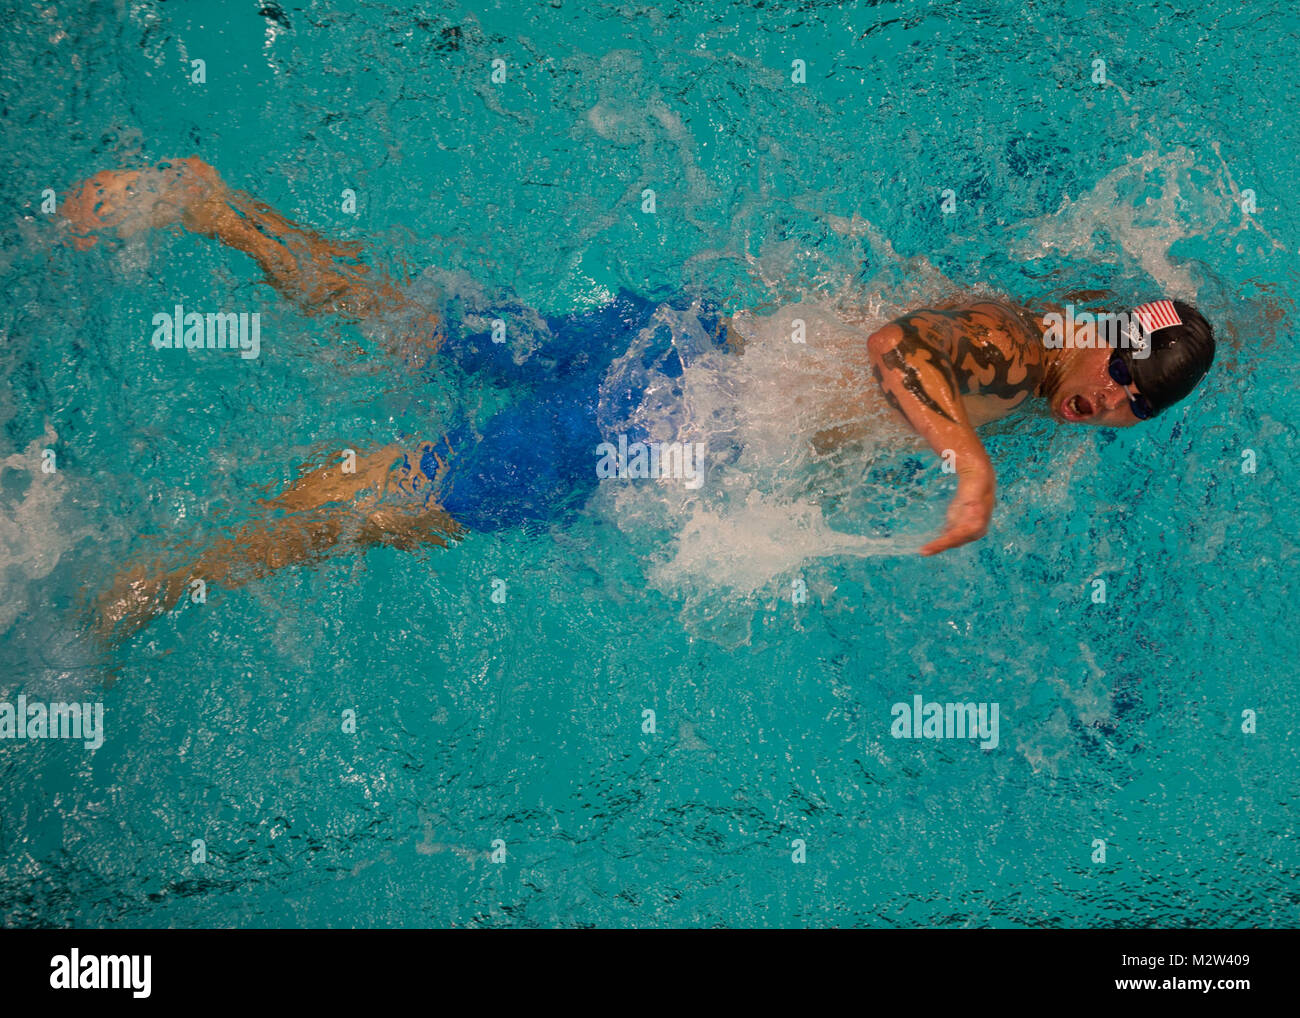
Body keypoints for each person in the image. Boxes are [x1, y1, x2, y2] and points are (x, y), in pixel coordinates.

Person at [59, 158, 1215, 643]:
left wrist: (1231, 320)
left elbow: (1167, 326)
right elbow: (898, 345)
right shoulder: (1021, 349)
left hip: (683, 342)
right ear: (1108, 347)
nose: (1108, 415)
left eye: (1129, 415)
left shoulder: (1083, 320)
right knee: (411, 502)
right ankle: (149, 580)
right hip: (667, 422)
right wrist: (970, 463)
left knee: (420, 327)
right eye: (1116, 391)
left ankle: (215, 206)